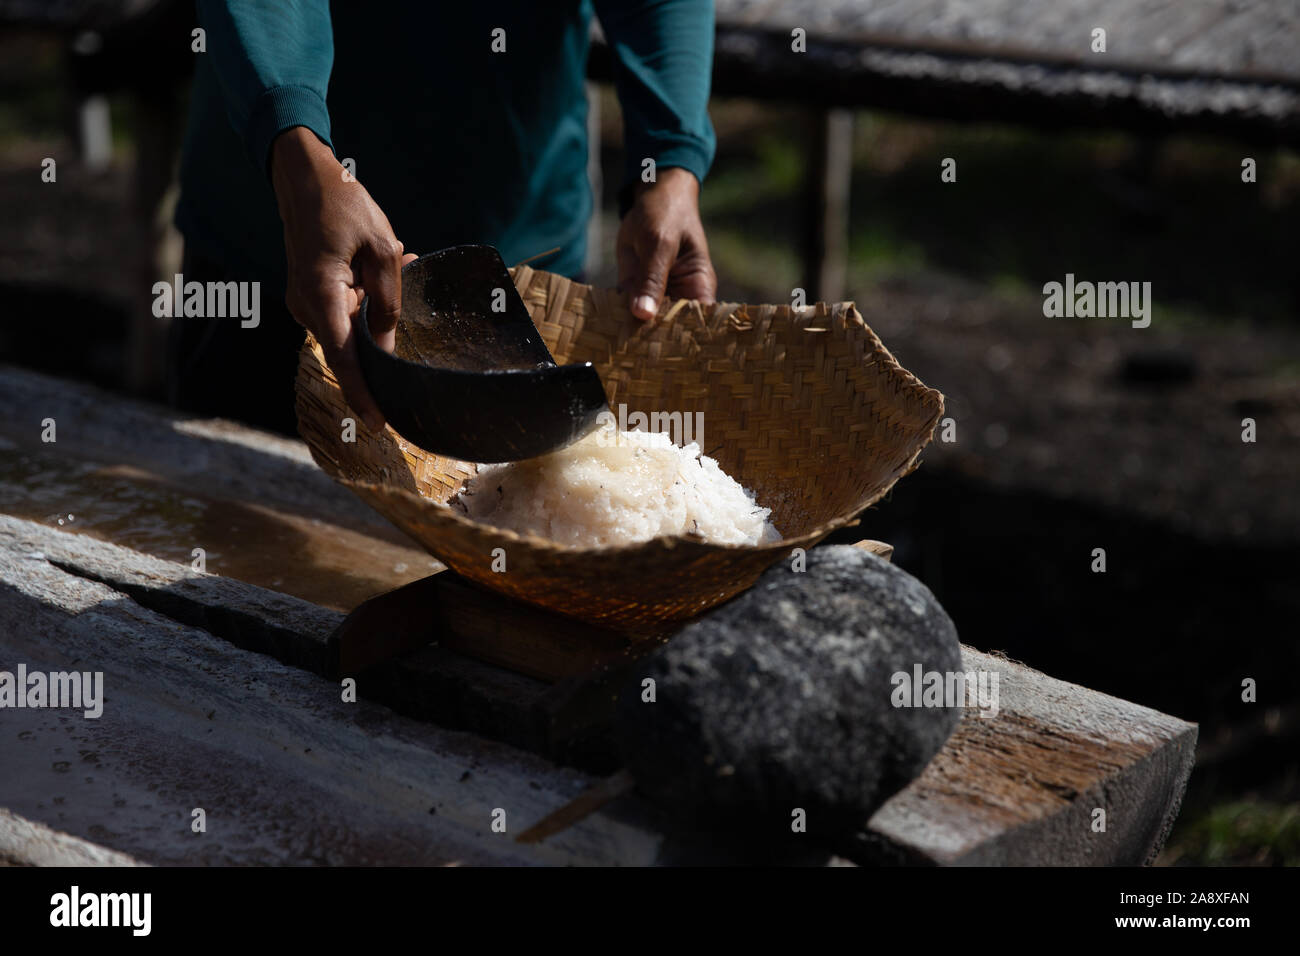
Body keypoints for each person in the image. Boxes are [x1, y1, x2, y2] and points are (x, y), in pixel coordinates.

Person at [170, 1, 718, 435]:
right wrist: (295, 148)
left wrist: (672, 157)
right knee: (233, 537)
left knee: (514, 530)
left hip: (515, 266)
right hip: (279, 241)